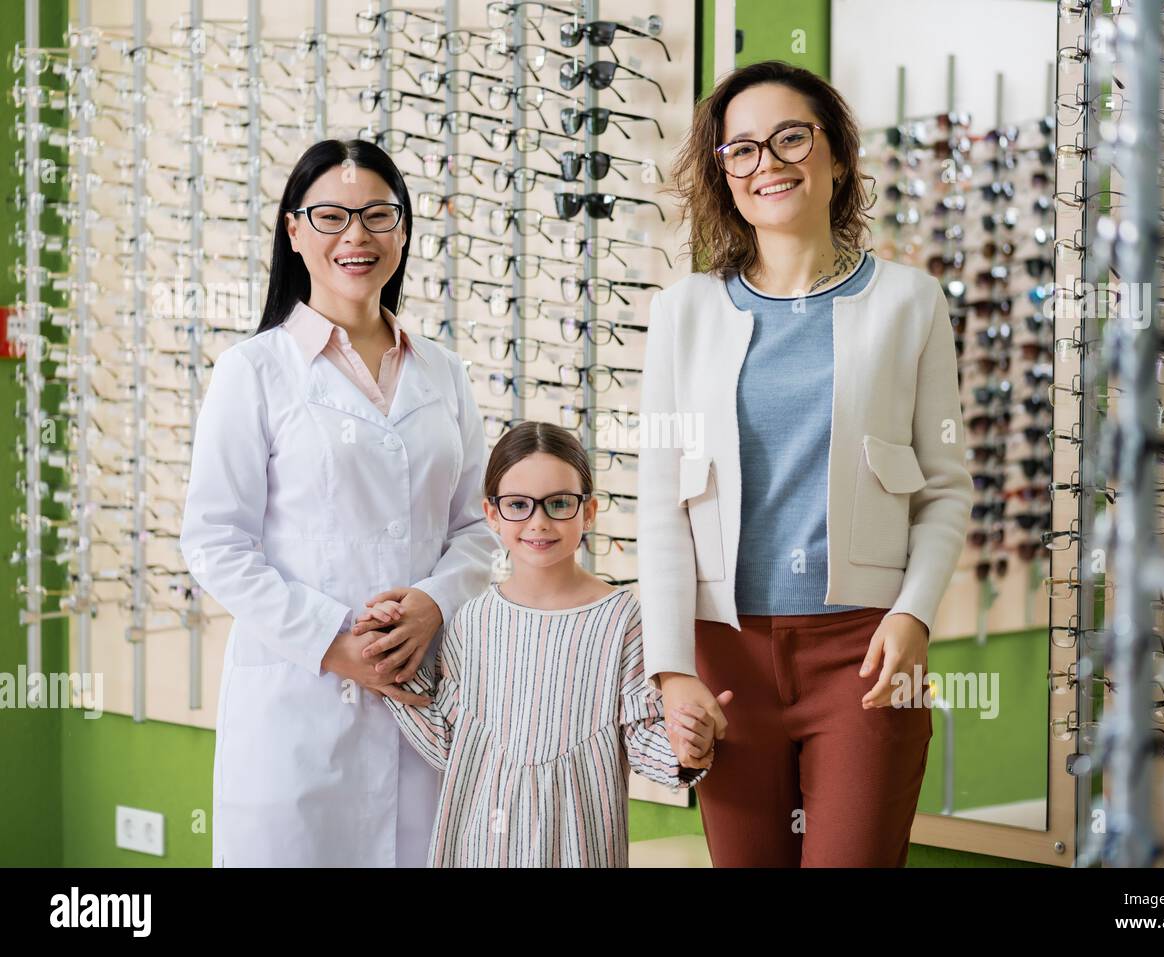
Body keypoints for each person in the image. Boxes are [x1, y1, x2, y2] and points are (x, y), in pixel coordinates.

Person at [637, 61, 976, 866]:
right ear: (723, 175)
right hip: (724, 654)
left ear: (837, 157)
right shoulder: (683, 314)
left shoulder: (909, 303)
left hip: (866, 650)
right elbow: (659, 506)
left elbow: (944, 488)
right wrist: (669, 670)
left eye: (791, 137)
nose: (767, 163)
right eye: (741, 149)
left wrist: (913, 612)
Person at [179, 139, 497, 866]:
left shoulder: (443, 371)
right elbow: (216, 543)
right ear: (294, 232)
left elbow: (477, 525)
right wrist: (334, 643)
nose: (356, 236)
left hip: (426, 698)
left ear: (405, 231)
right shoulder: (252, 372)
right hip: (299, 703)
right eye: (330, 216)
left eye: (378, 215)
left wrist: (433, 603)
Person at [375, 422, 713, 866]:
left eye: (558, 503)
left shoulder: (623, 618)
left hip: (580, 848)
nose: (539, 522)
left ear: (588, 513)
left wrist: (689, 746)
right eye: (518, 504)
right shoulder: (472, 620)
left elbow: (643, 738)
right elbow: (448, 743)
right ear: (492, 514)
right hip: (478, 849)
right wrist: (387, 655)